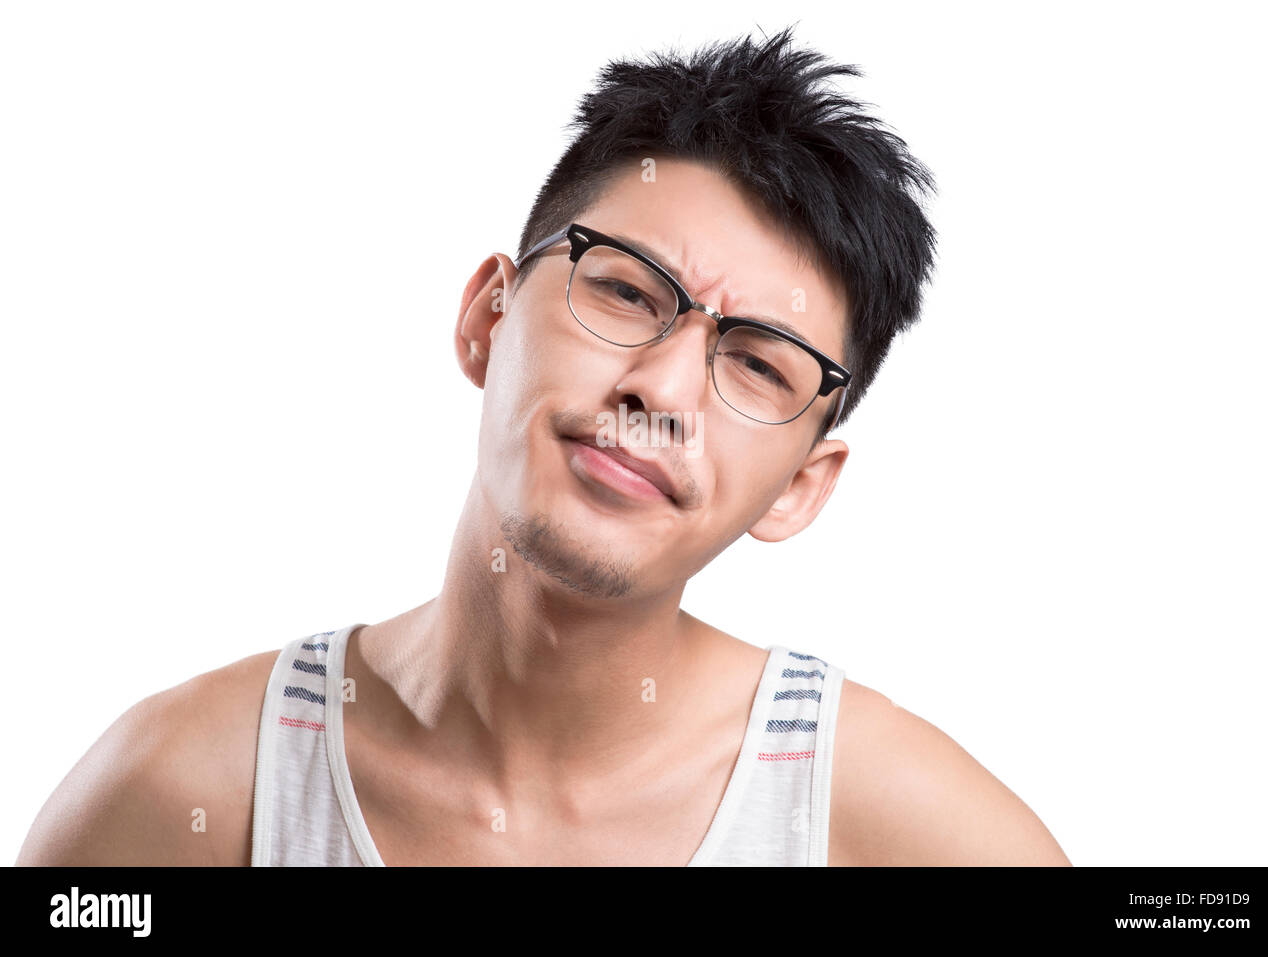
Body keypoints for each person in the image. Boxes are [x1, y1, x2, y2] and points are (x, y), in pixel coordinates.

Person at [17, 25, 1070, 866]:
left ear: (801, 486)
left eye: (756, 363)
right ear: (488, 315)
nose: (658, 388)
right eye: (622, 289)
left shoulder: (900, 831)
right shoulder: (185, 794)